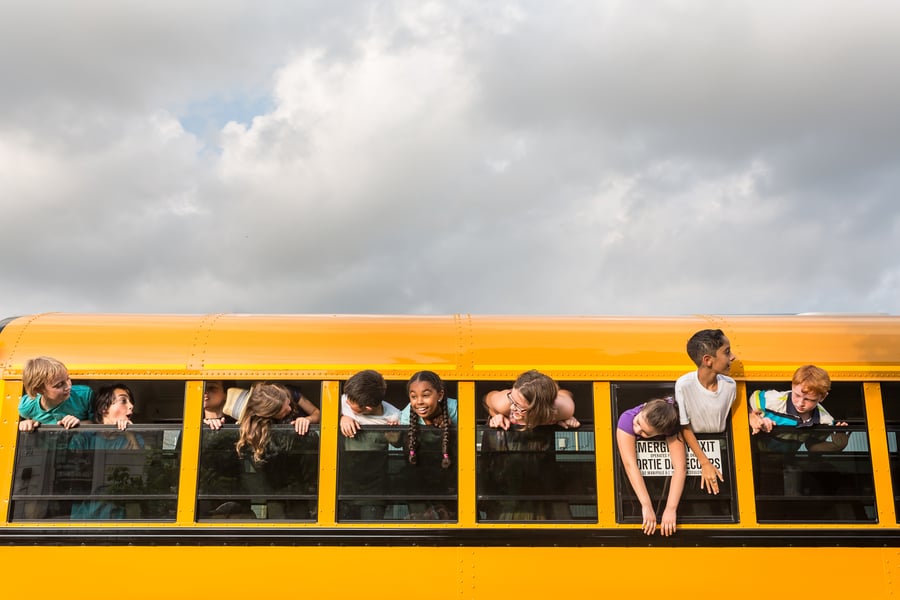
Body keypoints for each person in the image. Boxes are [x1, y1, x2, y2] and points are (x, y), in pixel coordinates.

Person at [675, 329, 737, 495]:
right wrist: (705, 463)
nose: (733, 357)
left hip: (723, 451)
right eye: (727, 352)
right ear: (708, 360)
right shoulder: (684, 385)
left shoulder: (730, 386)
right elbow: (684, 426)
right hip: (694, 455)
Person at [616, 398, 686, 536]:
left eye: (645, 434)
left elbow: (680, 467)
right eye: (638, 423)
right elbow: (630, 465)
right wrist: (646, 505)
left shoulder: (670, 425)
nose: (636, 429)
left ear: (661, 434)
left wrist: (671, 509)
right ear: (644, 407)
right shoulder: (628, 418)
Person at [748, 365, 850, 452]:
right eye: (796, 395)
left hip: (787, 460)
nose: (800, 403)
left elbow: (811, 446)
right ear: (792, 386)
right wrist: (753, 416)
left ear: (822, 397)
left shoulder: (825, 420)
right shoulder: (769, 400)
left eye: (809, 399)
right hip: (755, 454)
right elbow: (742, 404)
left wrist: (837, 446)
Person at [226, 382, 320, 463]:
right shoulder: (260, 427)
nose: (290, 409)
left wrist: (307, 419)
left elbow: (317, 413)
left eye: (288, 403)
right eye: (283, 412)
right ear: (269, 416)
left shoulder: (290, 392)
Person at [483, 369, 579, 431]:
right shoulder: (504, 403)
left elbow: (565, 394)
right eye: (512, 399)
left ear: (537, 409)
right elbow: (485, 400)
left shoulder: (563, 408)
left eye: (518, 406)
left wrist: (563, 419)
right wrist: (497, 415)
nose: (512, 406)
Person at [18, 356, 94, 431]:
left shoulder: (84, 395)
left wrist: (78, 424)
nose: (68, 386)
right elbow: (28, 423)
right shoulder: (27, 407)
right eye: (59, 385)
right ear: (39, 390)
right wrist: (27, 424)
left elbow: (97, 422)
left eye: (68, 379)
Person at [400, 370, 457, 468]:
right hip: (420, 469)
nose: (419, 402)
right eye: (413, 396)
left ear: (440, 395)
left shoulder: (455, 409)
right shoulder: (406, 415)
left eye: (425, 395)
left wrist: (451, 428)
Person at [339, 369, 401, 438]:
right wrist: (342, 418)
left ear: (367, 408)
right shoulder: (343, 400)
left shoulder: (393, 417)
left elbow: (397, 443)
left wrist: (393, 435)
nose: (346, 403)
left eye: (350, 404)